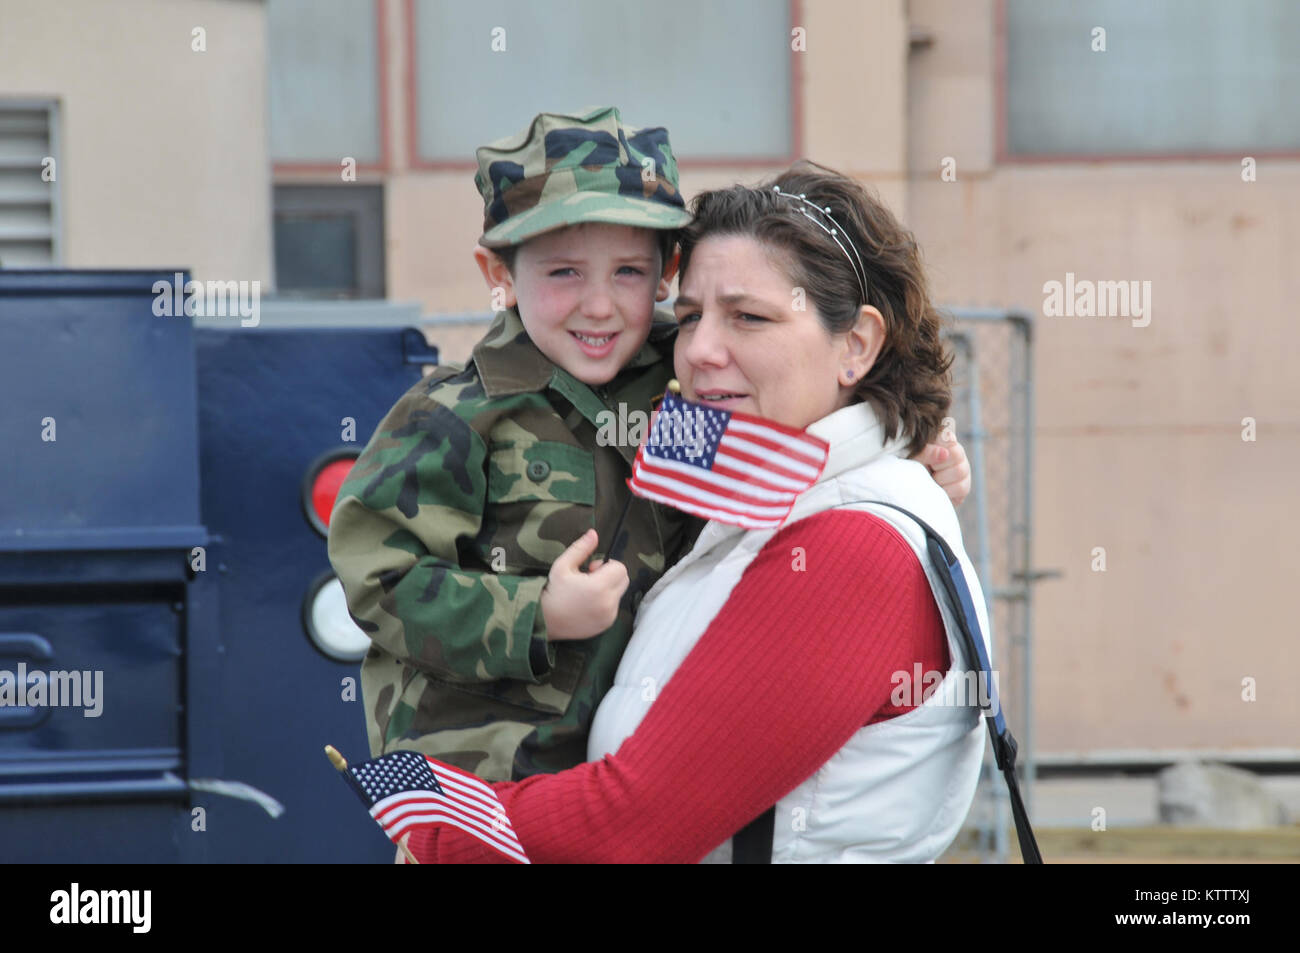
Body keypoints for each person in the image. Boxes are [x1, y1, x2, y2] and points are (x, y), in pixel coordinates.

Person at [328, 107, 972, 796]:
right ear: (500, 274)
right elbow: (379, 580)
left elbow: (798, 432)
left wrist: (911, 445)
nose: (600, 305)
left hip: (629, 771)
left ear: (667, 271)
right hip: (481, 780)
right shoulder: (455, 415)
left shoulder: (689, 374)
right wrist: (536, 614)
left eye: (628, 273)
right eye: (564, 273)